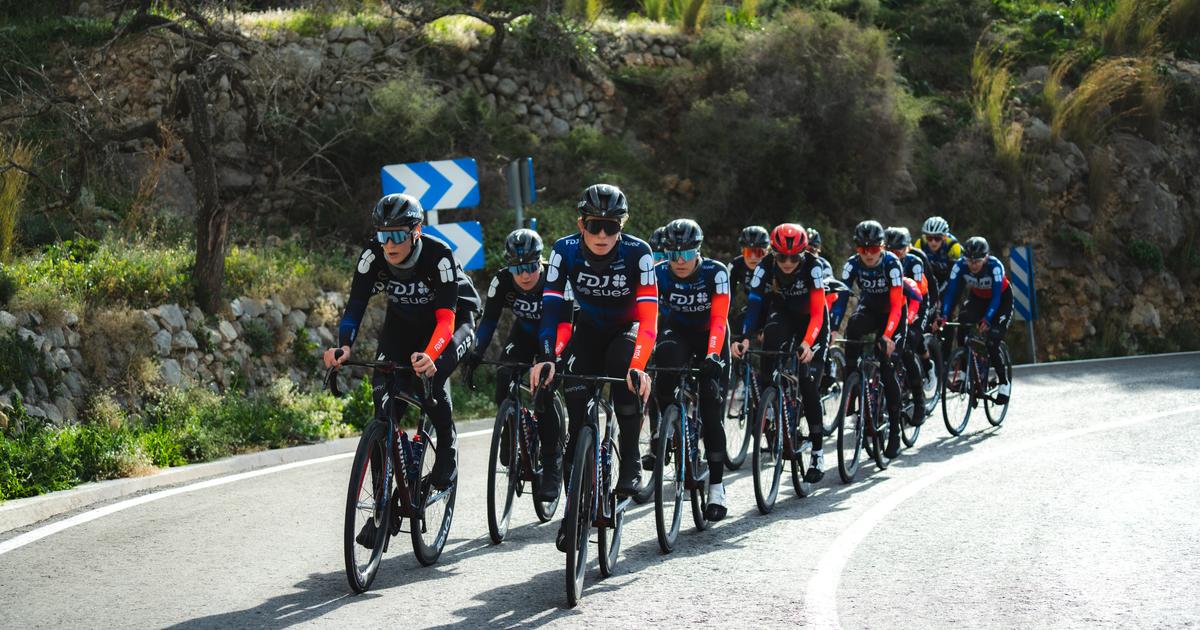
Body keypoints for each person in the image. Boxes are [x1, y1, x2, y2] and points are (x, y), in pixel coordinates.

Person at [529, 184, 658, 551]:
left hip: (626, 331)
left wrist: (639, 364)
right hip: (586, 332)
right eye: (594, 225)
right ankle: (576, 512)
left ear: (623, 225)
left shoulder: (639, 253)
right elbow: (551, 308)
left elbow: (649, 320)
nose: (602, 234)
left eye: (611, 226)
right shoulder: (563, 250)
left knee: (625, 375)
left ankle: (630, 456)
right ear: (581, 223)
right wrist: (547, 356)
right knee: (575, 425)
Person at [324, 193, 480, 495]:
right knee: (383, 401)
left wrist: (432, 355)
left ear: (416, 231)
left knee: (431, 381)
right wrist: (344, 346)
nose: (390, 244)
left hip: (452, 323)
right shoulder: (372, 256)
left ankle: (447, 453)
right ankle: (382, 506)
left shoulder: (439, 256)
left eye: (397, 235)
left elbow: (446, 321)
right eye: (383, 235)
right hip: (404, 324)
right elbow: (355, 306)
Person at [463, 229, 573, 501]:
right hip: (524, 334)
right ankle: (509, 431)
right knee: (504, 374)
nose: (524, 274)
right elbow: (488, 322)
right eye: (517, 267)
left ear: (541, 261)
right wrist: (476, 352)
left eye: (531, 267)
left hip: (559, 335)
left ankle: (551, 464)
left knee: (544, 393)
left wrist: (552, 358)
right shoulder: (501, 281)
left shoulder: (557, 278)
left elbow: (567, 324)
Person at [732, 223, 829, 483]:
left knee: (808, 381)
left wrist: (808, 342)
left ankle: (818, 452)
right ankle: (771, 401)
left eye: (794, 257)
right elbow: (754, 304)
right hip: (784, 314)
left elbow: (819, 311)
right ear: (773, 253)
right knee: (770, 346)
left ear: (803, 253)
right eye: (782, 256)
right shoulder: (765, 266)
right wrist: (744, 336)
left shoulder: (813, 267)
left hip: (812, 322)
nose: (787, 262)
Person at [652, 218, 732, 520]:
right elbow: (647, 316)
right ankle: (675, 429)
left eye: (686, 253)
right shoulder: (659, 273)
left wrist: (712, 354)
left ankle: (717, 487)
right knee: (664, 373)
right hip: (677, 335)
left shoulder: (716, 272)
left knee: (711, 410)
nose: (680, 261)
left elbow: (719, 317)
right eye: (672, 254)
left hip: (712, 336)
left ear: (698, 251)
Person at [830, 220, 906, 459]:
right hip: (870, 309)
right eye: (863, 249)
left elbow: (896, 305)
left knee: (887, 366)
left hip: (892, 315)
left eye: (873, 249)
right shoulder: (852, 265)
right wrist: (833, 329)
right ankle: (853, 383)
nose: (868, 254)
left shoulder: (892, 264)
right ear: (857, 250)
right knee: (853, 327)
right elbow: (841, 299)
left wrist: (887, 335)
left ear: (882, 247)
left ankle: (894, 429)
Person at [934, 236, 1013, 404]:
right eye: (969, 261)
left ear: (985, 257)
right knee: (962, 324)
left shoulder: (995, 266)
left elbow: (997, 296)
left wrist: (988, 319)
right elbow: (950, 293)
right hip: (977, 299)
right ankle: (963, 374)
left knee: (992, 342)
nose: (973, 265)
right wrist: (944, 315)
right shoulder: (960, 266)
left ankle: (1004, 382)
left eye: (977, 261)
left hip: (1000, 301)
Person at [885, 226, 928, 424]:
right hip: (894, 305)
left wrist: (908, 320)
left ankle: (920, 400)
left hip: (916, 303)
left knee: (908, 344)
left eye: (900, 249)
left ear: (908, 247)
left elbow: (917, 297)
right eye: (891, 249)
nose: (896, 253)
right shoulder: (884, 262)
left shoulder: (915, 263)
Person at [913, 216, 962, 296]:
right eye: (929, 238)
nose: (933, 242)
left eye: (937, 238)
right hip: (927, 276)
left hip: (948, 277)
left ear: (944, 237)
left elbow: (955, 276)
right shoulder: (920, 244)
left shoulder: (953, 247)